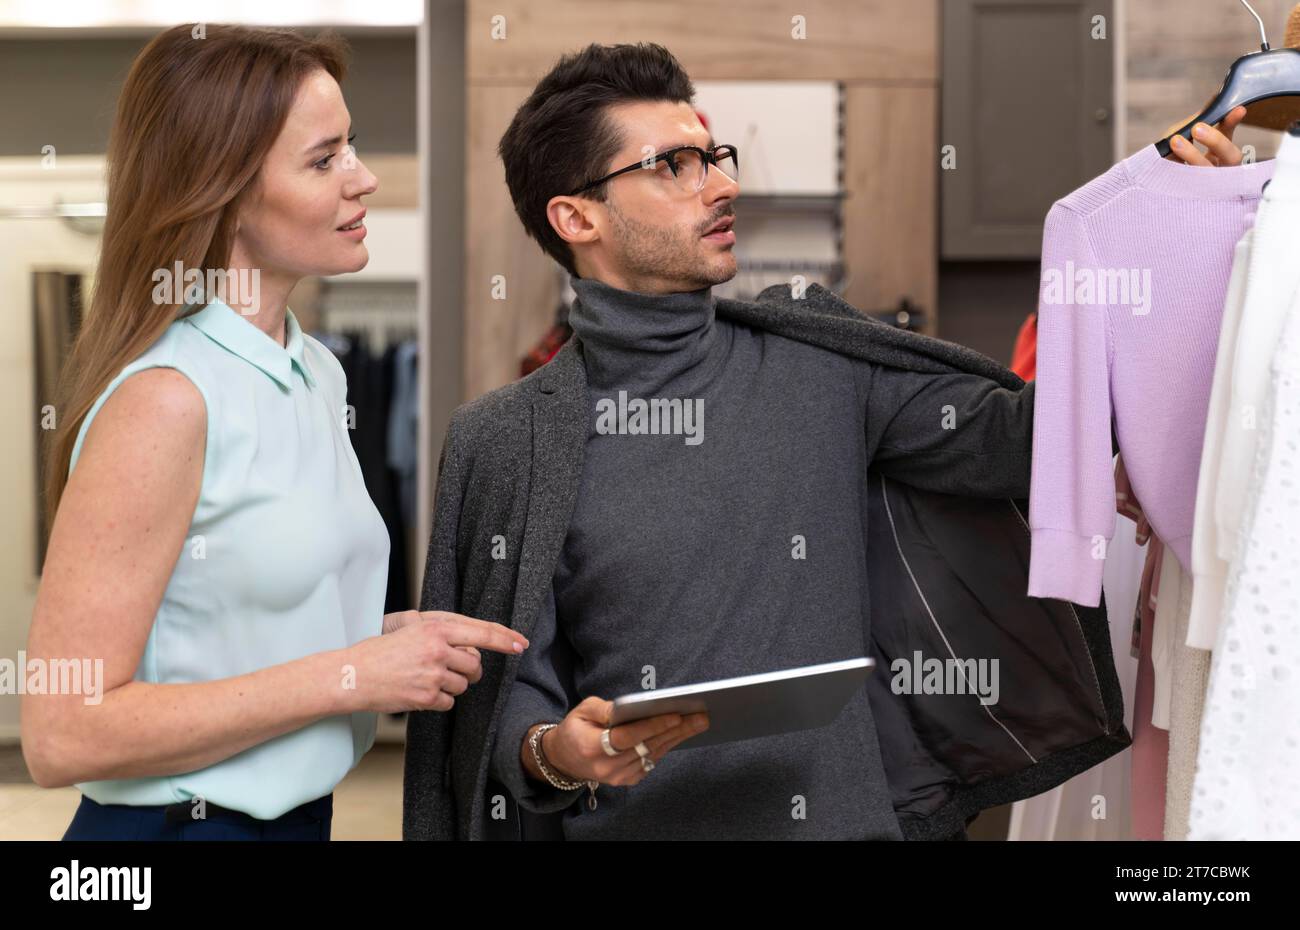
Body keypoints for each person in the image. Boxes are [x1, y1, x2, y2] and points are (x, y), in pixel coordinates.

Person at [22, 22, 527, 841]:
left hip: (299, 821)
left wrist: (389, 638)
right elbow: (60, 732)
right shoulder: (167, 398)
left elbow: (244, 624)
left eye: (351, 147)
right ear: (223, 191)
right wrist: (355, 671)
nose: (363, 179)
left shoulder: (314, 370)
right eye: (324, 160)